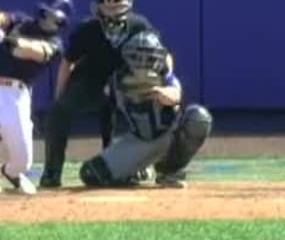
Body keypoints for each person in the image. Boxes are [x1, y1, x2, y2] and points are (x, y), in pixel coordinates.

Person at [40, 0, 157, 189]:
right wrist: (60, 95)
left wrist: (159, 83)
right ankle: (52, 170)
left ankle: (138, 162)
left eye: (116, 6)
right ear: (98, 8)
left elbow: (161, 55)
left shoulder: (139, 25)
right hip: (89, 79)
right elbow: (67, 63)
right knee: (59, 112)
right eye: (107, 7)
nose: (111, 12)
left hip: (128, 81)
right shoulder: (88, 28)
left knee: (149, 111)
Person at [77, 30, 213, 190]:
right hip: (138, 140)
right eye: (138, 57)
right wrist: (110, 146)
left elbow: (176, 95)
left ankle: (169, 170)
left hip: (167, 137)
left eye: (149, 57)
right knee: (90, 173)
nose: (143, 62)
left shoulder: (164, 76)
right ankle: (135, 170)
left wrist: (159, 92)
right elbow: (107, 110)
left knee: (198, 118)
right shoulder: (116, 80)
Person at [0, 0, 71, 196]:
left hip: (16, 97)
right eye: (47, 14)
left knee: (23, 160)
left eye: (55, 17)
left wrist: (8, 40)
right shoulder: (20, 21)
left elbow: (35, 52)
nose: (49, 20)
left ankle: (11, 172)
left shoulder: (56, 44)